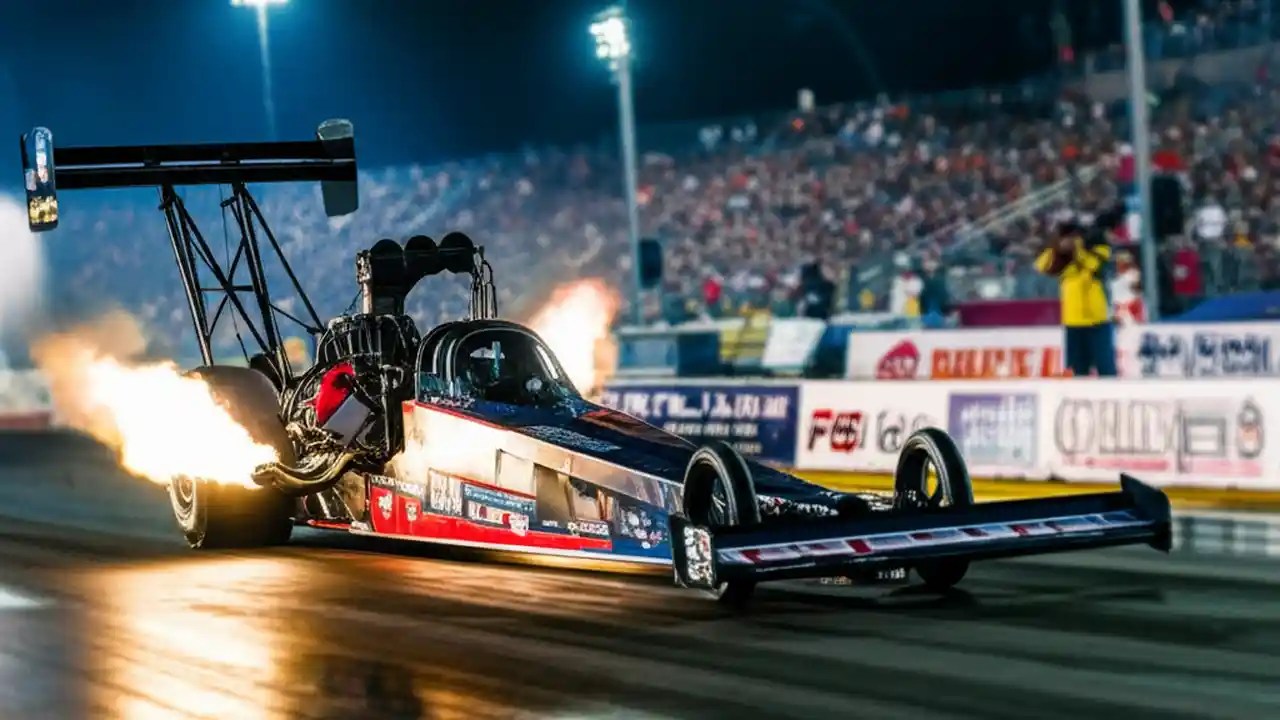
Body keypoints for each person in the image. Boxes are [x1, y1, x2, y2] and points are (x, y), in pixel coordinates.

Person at [1034, 213, 1118, 377]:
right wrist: (1058, 247)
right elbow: (1041, 265)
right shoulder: (1061, 256)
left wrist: (1077, 247)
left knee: (1106, 368)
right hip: (1072, 320)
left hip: (1096, 318)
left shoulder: (1098, 246)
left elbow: (1093, 265)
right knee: (1077, 371)